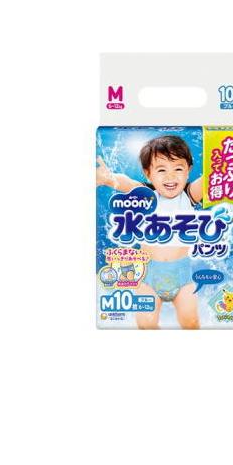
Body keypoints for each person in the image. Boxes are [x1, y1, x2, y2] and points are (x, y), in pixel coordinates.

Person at [96, 135, 203, 329]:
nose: (170, 177)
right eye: (161, 170)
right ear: (148, 174)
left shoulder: (189, 195)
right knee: (146, 323)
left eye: (178, 169)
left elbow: (209, 180)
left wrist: (224, 163)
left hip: (182, 276)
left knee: (190, 320)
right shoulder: (146, 195)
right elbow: (126, 183)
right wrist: (108, 178)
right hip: (148, 276)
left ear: (188, 170)